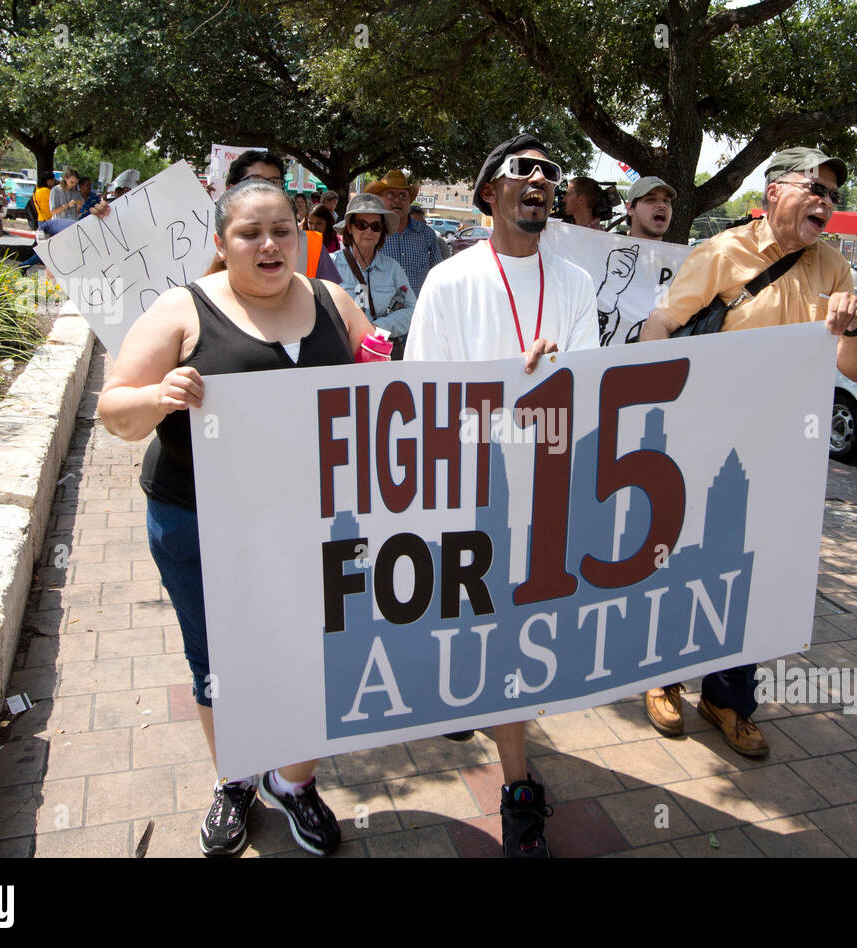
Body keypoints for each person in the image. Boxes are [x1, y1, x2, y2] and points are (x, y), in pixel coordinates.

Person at [96, 180, 374, 858]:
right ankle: (236, 779)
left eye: (283, 228)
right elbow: (115, 410)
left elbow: (392, 380)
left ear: (303, 233)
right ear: (221, 244)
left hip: (315, 521)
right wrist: (159, 395)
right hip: (200, 522)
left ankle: (294, 779)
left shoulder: (335, 301)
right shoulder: (181, 309)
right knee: (217, 660)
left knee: (321, 650)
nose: (270, 244)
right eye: (251, 232)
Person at [638, 146, 857, 755]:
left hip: (785, 453)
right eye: (814, 188)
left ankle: (729, 699)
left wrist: (853, 329)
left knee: (757, 575)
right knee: (685, 558)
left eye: (833, 195)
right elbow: (660, 325)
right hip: (707, 439)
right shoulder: (721, 254)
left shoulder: (835, 270)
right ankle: (663, 679)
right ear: (774, 193)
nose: (826, 201)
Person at [405, 133, 598, 858]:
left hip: (544, 495)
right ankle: (494, 747)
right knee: (474, 633)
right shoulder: (450, 284)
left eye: (551, 172)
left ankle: (515, 780)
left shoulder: (576, 286)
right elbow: (427, 405)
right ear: (490, 191)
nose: (541, 180)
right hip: (470, 494)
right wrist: (508, 399)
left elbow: (583, 401)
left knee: (516, 641)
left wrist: (540, 400)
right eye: (523, 171)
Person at [225, 151, 339, 282]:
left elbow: (331, 296)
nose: (267, 190)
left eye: (274, 183)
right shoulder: (208, 245)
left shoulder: (310, 245)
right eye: (256, 182)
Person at [331, 193, 416, 353]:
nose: (369, 231)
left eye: (376, 226)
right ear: (349, 228)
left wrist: (377, 328)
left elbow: (413, 310)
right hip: (341, 353)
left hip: (380, 355)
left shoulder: (393, 269)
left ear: (382, 231)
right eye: (361, 224)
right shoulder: (331, 264)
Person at [367, 169, 443, 294]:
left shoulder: (426, 234)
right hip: (381, 311)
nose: (397, 200)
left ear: (409, 200)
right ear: (380, 199)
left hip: (418, 309)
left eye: (403, 195)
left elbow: (438, 273)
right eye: (390, 194)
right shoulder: (372, 231)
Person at [625, 176, 674, 240]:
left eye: (666, 201)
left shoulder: (684, 250)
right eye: (651, 199)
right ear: (629, 209)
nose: (662, 205)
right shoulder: (609, 246)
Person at [38, 170, 83, 237]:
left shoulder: (76, 192)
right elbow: (53, 211)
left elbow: (79, 210)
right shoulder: (56, 190)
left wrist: (79, 206)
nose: (73, 185)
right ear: (65, 179)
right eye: (72, 182)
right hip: (59, 228)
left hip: (72, 228)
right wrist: (67, 205)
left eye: (76, 183)